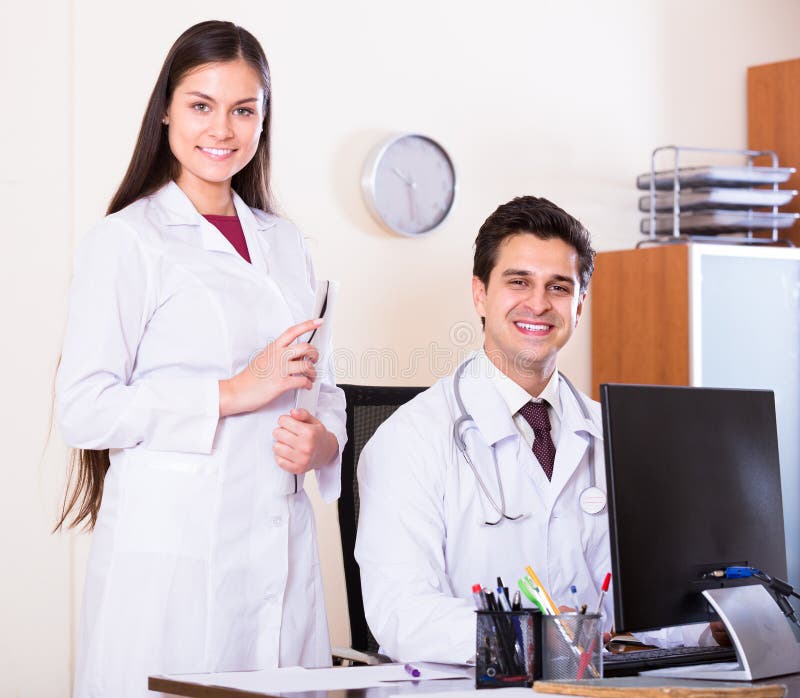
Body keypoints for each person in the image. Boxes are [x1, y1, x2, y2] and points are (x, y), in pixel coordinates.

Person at [55, 21, 345, 698]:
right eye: (201, 105)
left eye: (244, 109)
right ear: (166, 110)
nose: (223, 129)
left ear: (263, 121)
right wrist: (233, 392)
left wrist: (321, 442)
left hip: (278, 557)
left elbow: (320, 390)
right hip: (173, 568)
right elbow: (82, 409)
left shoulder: (286, 245)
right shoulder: (126, 242)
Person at [354, 196, 711, 663]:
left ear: (579, 304)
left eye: (559, 287)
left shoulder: (614, 434)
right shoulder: (411, 438)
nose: (538, 304)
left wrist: (711, 630)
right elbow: (403, 615)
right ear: (480, 294)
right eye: (518, 281)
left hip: (593, 686)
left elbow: (641, 603)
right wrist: (534, 636)